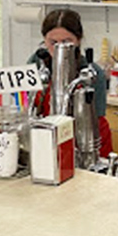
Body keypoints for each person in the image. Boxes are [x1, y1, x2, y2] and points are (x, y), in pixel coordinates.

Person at [30, 9, 112, 156]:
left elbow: (97, 118)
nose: (59, 48)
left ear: (79, 40)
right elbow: (25, 103)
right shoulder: (35, 64)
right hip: (45, 137)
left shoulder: (93, 74)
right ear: (44, 40)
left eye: (67, 42)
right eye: (53, 42)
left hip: (83, 140)